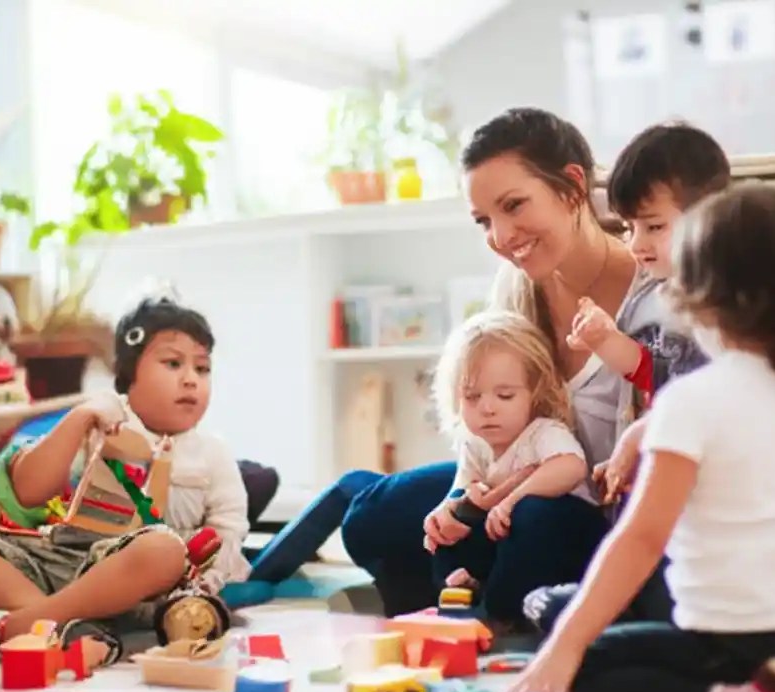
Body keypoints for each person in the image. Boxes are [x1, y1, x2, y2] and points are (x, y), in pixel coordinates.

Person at [251, 107, 651, 620]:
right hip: (511, 491)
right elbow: (485, 430)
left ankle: (483, 603)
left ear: (573, 186)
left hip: (587, 512)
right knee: (371, 517)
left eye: (513, 206)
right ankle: (453, 599)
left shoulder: (652, 290)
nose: (501, 237)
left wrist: (508, 496)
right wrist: (462, 500)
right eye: (485, 220)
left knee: (528, 524)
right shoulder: (516, 287)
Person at [509, 184, 775, 692]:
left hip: (745, 647)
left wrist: (566, 645)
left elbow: (642, 537)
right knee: (598, 628)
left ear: (699, 298)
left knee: (585, 669)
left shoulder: (691, 400)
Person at [0, 296, 250, 665]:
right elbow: (30, 492)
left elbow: (228, 530)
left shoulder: (212, 452)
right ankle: (65, 627)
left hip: (146, 581)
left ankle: (26, 625)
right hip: (67, 562)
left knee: (164, 550)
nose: (191, 379)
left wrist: (201, 582)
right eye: (173, 363)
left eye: (203, 368)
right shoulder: (102, 421)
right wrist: (79, 418)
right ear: (129, 375)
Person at [523, 121, 729, 631]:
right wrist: (606, 342)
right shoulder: (650, 293)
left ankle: (636, 612)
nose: (637, 244)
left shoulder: (725, 304)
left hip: (708, 499)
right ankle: (622, 604)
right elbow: (652, 372)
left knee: (672, 592)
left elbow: (713, 399)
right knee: (637, 546)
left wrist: (640, 434)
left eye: (654, 226)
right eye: (629, 227)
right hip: (655, 486)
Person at [425, 310, 589, 616]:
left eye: (504, 396)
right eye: (472, 397)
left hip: (566, 534)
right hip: (508, 535)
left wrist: (511, 500)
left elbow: (571, 466)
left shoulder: (543, 431)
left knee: (529, 512)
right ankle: (461, 590)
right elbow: (461, 488)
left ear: (535, 393)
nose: (487, 408)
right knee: (453, 524)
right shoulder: (474, 443)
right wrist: (443, 512)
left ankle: (500, 611)